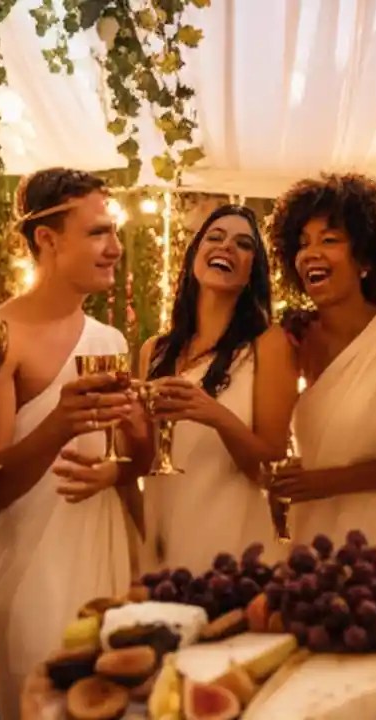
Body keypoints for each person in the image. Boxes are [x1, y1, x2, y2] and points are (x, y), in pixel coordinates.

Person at [0, 168, 147, 716]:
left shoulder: (111, 341)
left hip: (104, 548)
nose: (115, 248)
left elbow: (132, 461)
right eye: (98, 232)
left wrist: (137, 441)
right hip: (29, 565)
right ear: (46, 239)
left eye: (113, 233)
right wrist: (61, 422)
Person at [267, 173, 376, 575]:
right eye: (302, 243)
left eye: (329, 240)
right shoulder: (293, 338)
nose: (310, 253)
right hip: (313, 529)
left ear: (366, 258)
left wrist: (324, 482)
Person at [140, 204, 296, 571]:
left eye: (243, 244)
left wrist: (214, 414)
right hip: (162, 534)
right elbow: (141, 456)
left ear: (251, 273)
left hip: (234, 542)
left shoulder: (268, 344)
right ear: (195, 255)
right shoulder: (155, 350)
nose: (226, 247)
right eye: (214, 237)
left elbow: (269, 467)